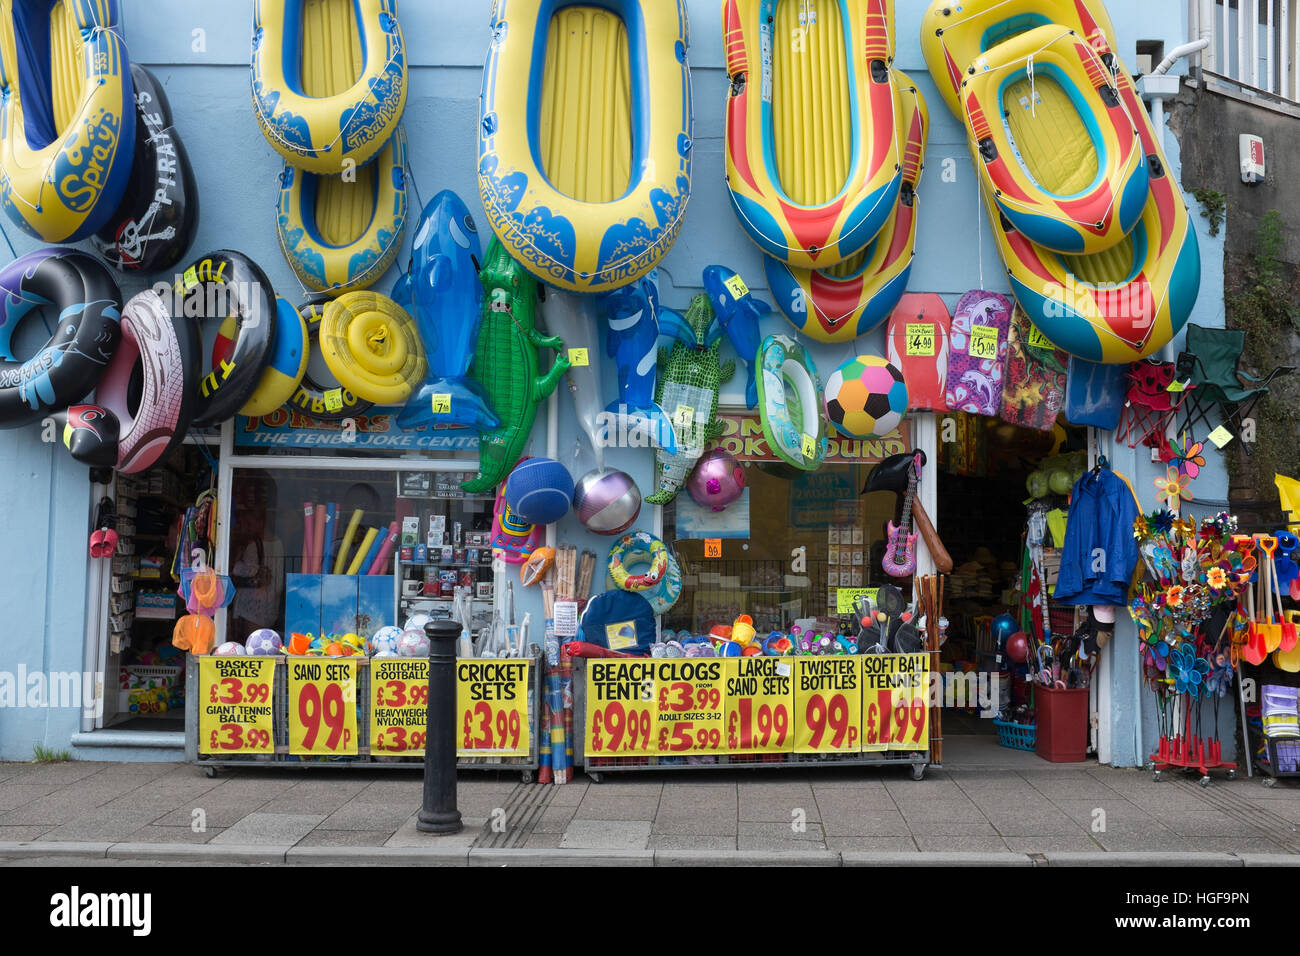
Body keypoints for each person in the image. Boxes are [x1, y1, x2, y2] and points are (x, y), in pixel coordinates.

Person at [230, 471, 285, 640]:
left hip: (253, 605)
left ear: (260, 522)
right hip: (270, 603)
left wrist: (236, 559)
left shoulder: (254, 544)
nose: (246, 527)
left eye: (249, 523)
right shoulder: (279, 543)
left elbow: (241, 570)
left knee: (250, 642)